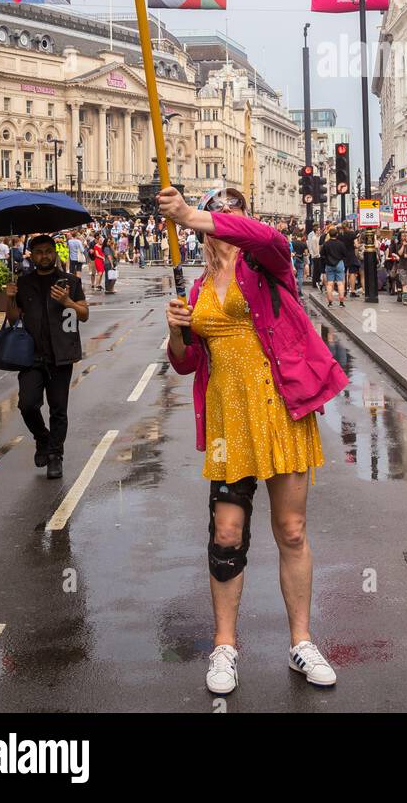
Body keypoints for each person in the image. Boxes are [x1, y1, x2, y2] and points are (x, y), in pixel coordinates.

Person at [160, 184, 348, 695]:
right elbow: (186, 363)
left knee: (291, 530)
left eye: (230, 209)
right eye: (214, 208)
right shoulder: (196, 290)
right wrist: (177, 330)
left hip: (279, 411)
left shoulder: (268, 264)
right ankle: (225, 646)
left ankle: (302, 642)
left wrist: (190, 214)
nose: (222, 216)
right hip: (227, 421)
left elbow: (264, 237)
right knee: (226, 535)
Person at [4, 234, 89, 480]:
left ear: (55, 253)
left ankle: (55, 456)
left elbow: (83, 314)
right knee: (27, 404)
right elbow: (12, 319)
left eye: (48, 251)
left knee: (58, 410)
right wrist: (10, 298)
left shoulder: (70, 282)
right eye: (39, 252)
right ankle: (42, 438)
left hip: (61, 355)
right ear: (32, 255)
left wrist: (67, 301)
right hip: (30, 356)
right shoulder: (24, 282)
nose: (45, 256)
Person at [320, 226, 347, 307]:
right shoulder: (341, 244)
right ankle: (341, 302)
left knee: (329, 284)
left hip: (329, 264)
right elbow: (345, 254)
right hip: (339, 263)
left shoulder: (326, 244)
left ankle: (330, 302)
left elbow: (322, 255)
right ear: (337, 234)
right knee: (340, 283)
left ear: (329, 234)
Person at [291, 231, 308, 296]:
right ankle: (299, 291)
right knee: (300, 276)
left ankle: (293, 290)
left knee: (293, 276)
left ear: (296, 236)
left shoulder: (292, 243)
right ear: (302, 237)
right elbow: (306, 253)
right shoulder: (304, 244)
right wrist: (302, 253)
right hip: (300, 260)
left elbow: (291, 251)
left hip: (293, 260)